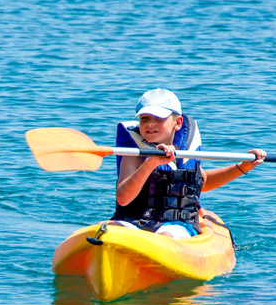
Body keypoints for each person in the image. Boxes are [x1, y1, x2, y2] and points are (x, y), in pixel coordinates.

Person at [112, 88, 266, 239]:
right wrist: (151, 163)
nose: (150, 124)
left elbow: (203, 181)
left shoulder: (185, 154)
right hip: (135, 221)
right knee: (107, 228)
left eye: (158, 118)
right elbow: (123, 198)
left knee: (166, 235)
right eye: (144, 119)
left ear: (178, 123)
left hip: (175, 224)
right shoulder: (133, 156)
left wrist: (243, 167)